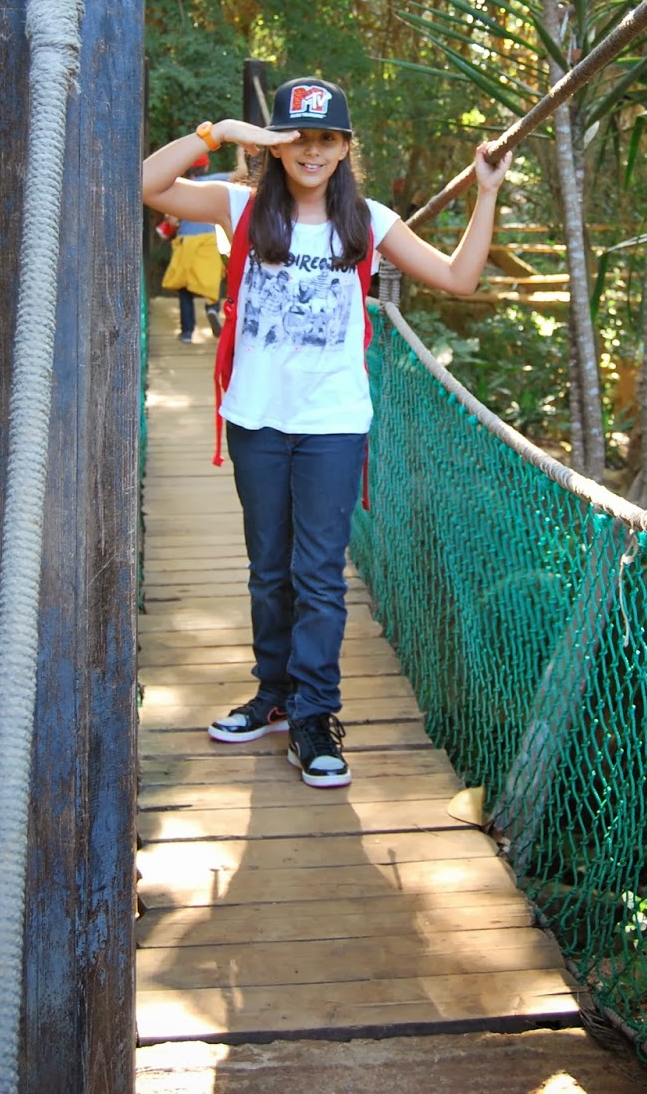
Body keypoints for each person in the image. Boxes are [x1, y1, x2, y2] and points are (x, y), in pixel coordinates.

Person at [141, 76, 511, 788]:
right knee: (267, 567)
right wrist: (224, 133)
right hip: (255, 417)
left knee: (318, 574)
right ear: (277, 147)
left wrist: (486, 191)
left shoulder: (369, 220)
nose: (312, 151)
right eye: (297, 138)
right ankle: (273, 694)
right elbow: (147, 183)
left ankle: (315, 715)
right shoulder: (239, 206)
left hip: (333, 424)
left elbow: (460, 278)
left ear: (346, 148)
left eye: (326, 138)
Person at [158, 155, 224, 341]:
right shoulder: (213, 183)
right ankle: (212, 309)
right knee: (212, 279)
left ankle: (187, 332)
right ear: (206, 166)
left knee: (184, 287)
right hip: (209, 239)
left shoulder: (177, 187)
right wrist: (241, 154)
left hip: (187, 241)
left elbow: (171, 219)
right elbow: (241, 174)